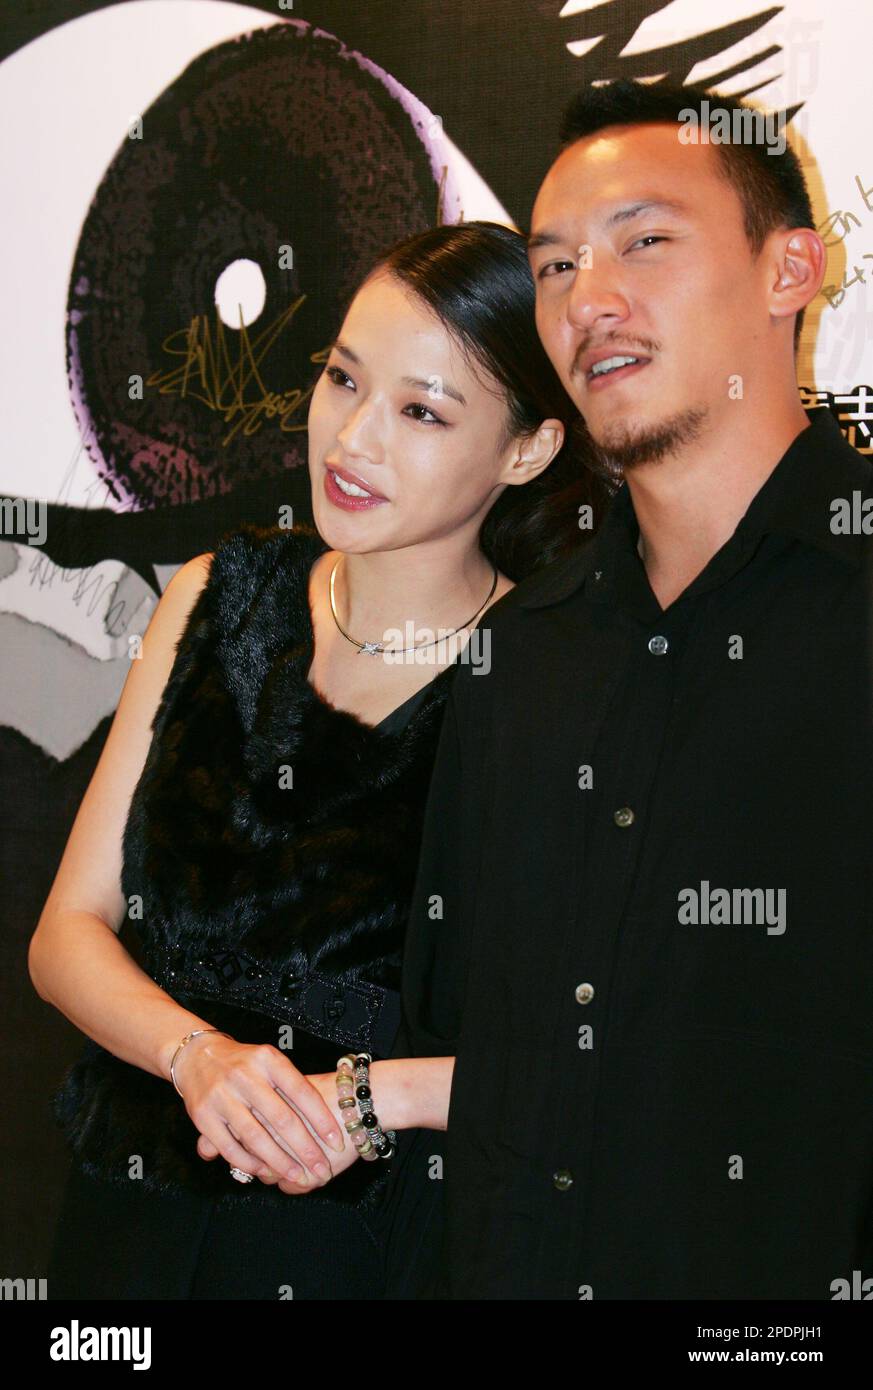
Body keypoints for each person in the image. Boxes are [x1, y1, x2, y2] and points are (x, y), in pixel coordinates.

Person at [31, 220, 609, 1300]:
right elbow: (66, 932)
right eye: (344, 378)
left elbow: (591, 1060)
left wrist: (359, 1097)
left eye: (422, 411)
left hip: (354, 1235)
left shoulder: (549, 685)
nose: (352, 439)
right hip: (127, 1202)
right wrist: (196, 1057)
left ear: (527, 449)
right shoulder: (215, 594)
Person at [389, 79, 873, 1299]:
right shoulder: (522, 652)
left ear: (791, 270)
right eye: (552, 268)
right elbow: (470, 1035)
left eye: (644, 241)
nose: (587, 301)